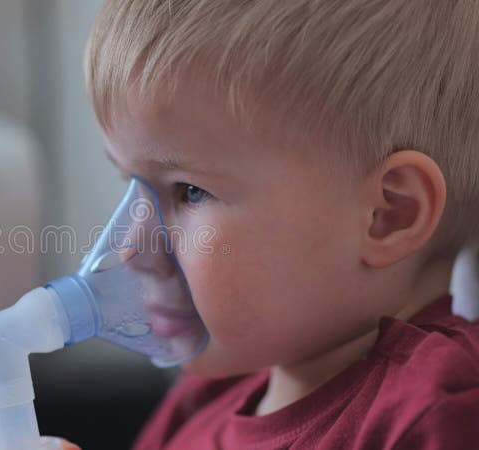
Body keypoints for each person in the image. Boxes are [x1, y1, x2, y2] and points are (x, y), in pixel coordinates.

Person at [61, 0, 479, 448]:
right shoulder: (205, 402)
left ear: (388, 214)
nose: (129, 248)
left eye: (190, 191)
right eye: (131, 184)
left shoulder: (435, 413)